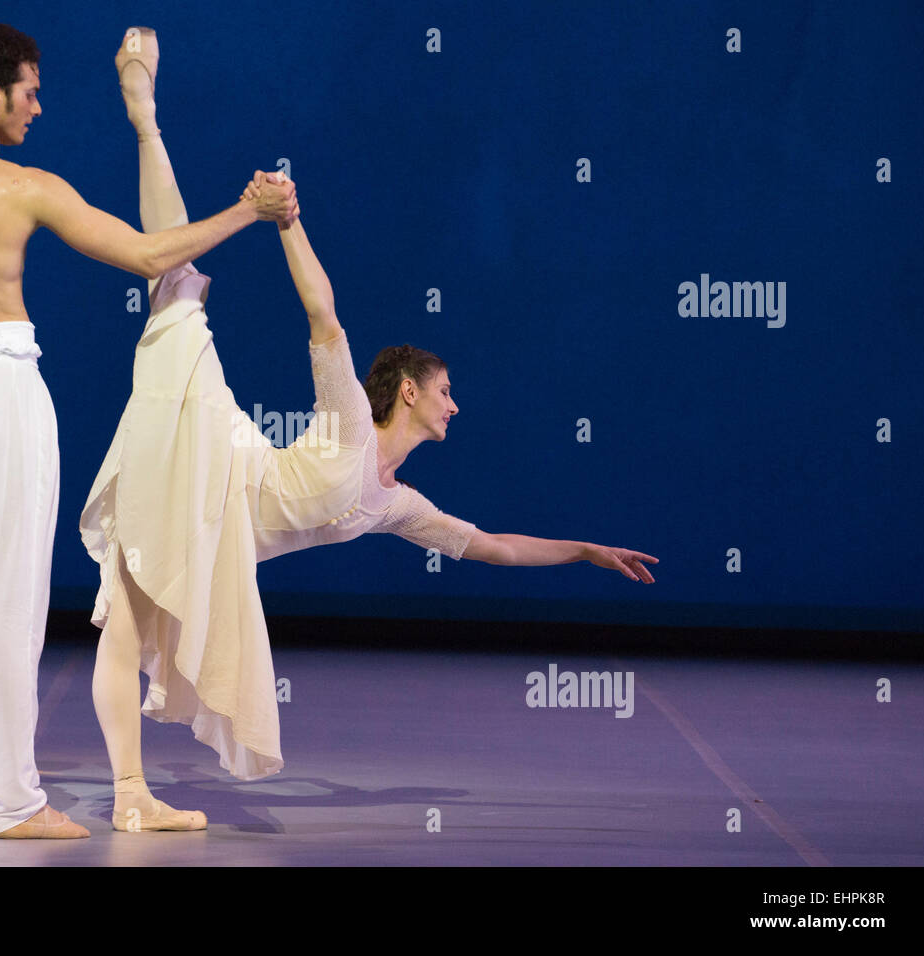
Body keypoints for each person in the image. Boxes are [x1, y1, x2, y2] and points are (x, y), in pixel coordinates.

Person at [81, 29, 659, 832]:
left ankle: (129, 797)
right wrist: (285, 220)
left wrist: (587, 550)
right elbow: (323, 311)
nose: (455, 407)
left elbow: (493, 545)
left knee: (132, 605)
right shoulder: (353, 415)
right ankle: (145, 118)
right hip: (221, 459)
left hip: (223, 540)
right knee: (174, 287)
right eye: (446, 392)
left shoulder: (397, 505)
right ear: (412, 392)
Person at [0, 23, 297, 840]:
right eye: (30, 91)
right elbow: (149, 256)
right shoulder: (21, 186)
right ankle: (14, 804)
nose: (39, 106)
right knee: (10, 603)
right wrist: (246, 211)